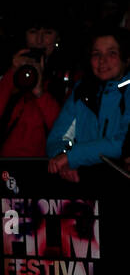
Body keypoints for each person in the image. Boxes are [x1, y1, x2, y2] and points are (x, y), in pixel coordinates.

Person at [46, 26, 130, 183]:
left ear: (126, 58)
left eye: (112, 53)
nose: (102, 60)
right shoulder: (83, 90)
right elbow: (57, 138)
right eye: (96, 54)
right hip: (86, 183)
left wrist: (73, 157)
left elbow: (123, 143)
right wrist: (62, 158)